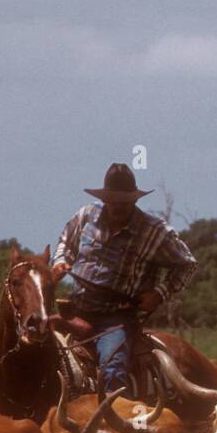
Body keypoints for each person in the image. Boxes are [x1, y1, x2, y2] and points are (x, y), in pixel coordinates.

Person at [49, 163, 196, 392]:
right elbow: (65, 242)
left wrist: (159, 293)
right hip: (75, 309)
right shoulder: (87, 215)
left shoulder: (154, 231)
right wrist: (59, 261)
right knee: (35, 348)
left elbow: (187, 265)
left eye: (124, 202)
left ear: (135, 200)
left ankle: (113, 419)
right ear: (105, 197)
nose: (117, 207)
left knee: (112, 367)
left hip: (116, 318)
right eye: (113, 201)